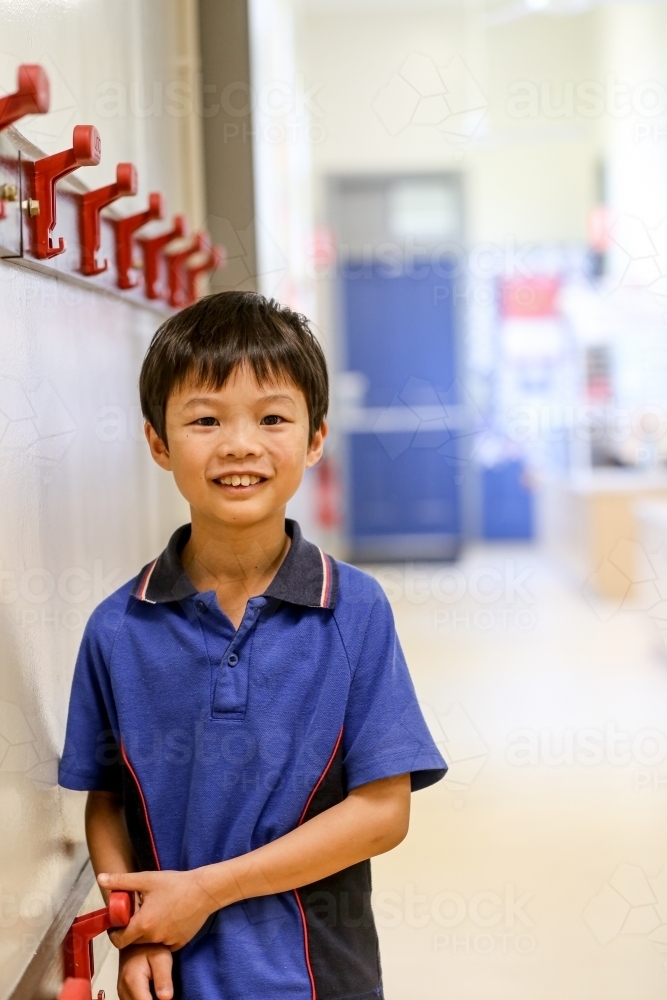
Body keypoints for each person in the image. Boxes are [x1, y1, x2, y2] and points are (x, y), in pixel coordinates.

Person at [58, 291, 447, 1000]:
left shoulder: (353, 609)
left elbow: (383, 811)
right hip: (175, 977)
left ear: (315, 438)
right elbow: (107, 800)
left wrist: (207, 890)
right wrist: (136, 929)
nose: (239, 445)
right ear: (158, 442)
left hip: (321, 978)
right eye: (205, 419)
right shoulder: (116, 628)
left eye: (272, 418)